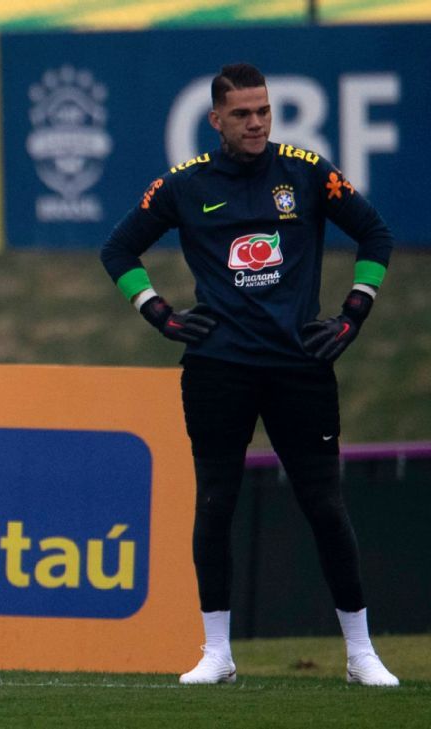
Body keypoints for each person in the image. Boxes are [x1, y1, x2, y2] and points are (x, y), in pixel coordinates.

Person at [101, 63, 398, 687]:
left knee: (324, 506)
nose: (256, 122)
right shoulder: (184, 185)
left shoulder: (307, 172)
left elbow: (374, 234)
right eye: (241, 114)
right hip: (218, 370)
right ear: (216, 121)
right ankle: (217, 654)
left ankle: (361, 654)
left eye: (263, 110)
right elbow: (118, 249)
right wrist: (157, 313)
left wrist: (353, 314)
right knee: (214, 506)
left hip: (300, 367)